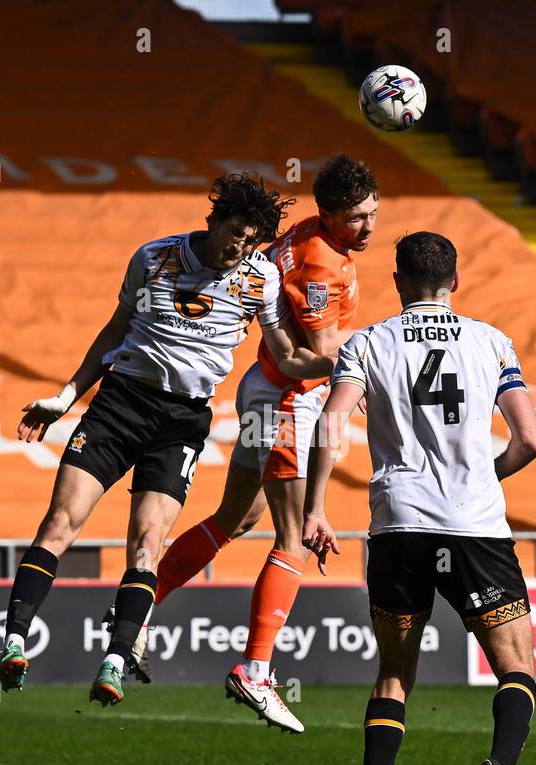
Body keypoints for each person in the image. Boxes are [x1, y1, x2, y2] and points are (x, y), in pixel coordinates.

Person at [0, 172, 331, 706]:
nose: (238, 248)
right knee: (61, 522)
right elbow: (114, 330)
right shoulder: (155, 256)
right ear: (214, 221)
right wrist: (65, 397)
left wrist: (348, 363)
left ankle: (115, 660)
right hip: (120, 405)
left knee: (147, 546)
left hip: (182, 423)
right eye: (233, 233)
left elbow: (289, 355)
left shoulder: (260, 279)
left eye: (250, 241)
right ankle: (15, 639)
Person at [301, 231, 536, 765]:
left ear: (399, 281)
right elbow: (530, 439)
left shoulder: (370, 342)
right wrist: (484, 478)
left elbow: (332, 421)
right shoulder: (492, 342)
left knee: (393, 676)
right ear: (455, 281)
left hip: (400, 524)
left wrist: (316, 508)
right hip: (476, 526)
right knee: (517, 667)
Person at [148, 155, 378, 733]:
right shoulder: (320, 265)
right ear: (329, 214)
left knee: (236, 517)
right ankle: (255, 669)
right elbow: (324, 349)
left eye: (373, 213)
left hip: (263, 392)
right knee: (297, 536)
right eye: (357, 218)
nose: (369, 226)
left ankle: (137, 608)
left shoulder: (309, 235)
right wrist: (375, 365)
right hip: (287, 399)